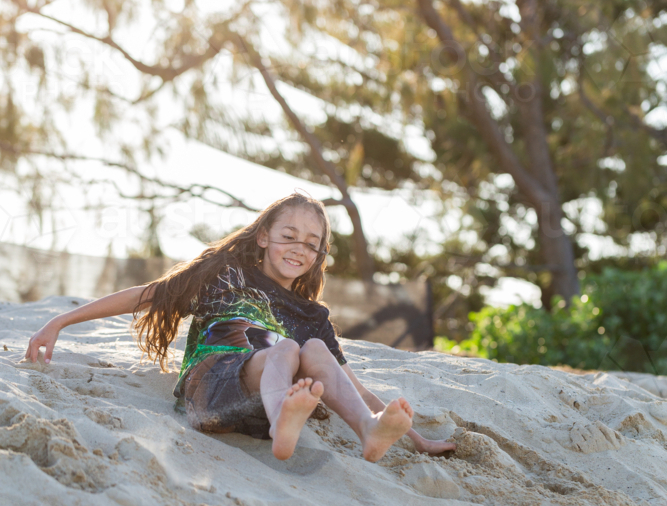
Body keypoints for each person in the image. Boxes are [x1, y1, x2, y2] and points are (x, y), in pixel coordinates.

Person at [24, 192, 455, 462]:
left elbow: (348, 384)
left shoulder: (312, 316)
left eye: (312, 244)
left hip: (256, 406)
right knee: (286, 350)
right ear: (264, 235)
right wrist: (61, 320)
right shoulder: (224, 273)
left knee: (316, 354)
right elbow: (149, 294)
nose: (299, 248)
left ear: (319, 255)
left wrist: (417, 439)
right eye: (289, 235)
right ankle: (282, 420)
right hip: (211, 391)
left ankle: (367, 431)